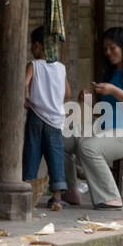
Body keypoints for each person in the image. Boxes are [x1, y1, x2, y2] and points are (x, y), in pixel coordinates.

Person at [63, 26, 123, 209]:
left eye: (112, 47)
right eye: (105, 49)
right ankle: (71, 190)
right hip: (107, 128)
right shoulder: (110, 73)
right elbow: (104, 110)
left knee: (89, 147)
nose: (108, 52)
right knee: (60, 141)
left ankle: (111, 198)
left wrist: (114, 90)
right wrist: (88, 102)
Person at [23, 25, 71, 211]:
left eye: (32, 46)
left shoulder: (33, 65)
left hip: (36, 116)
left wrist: (26, 100)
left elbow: (23, 83)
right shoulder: (61, 68)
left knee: (31, 154)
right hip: (55, 121)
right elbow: (67, 93)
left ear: (38, 46)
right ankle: (57, 198)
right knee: (55, 157)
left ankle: (27, 194)